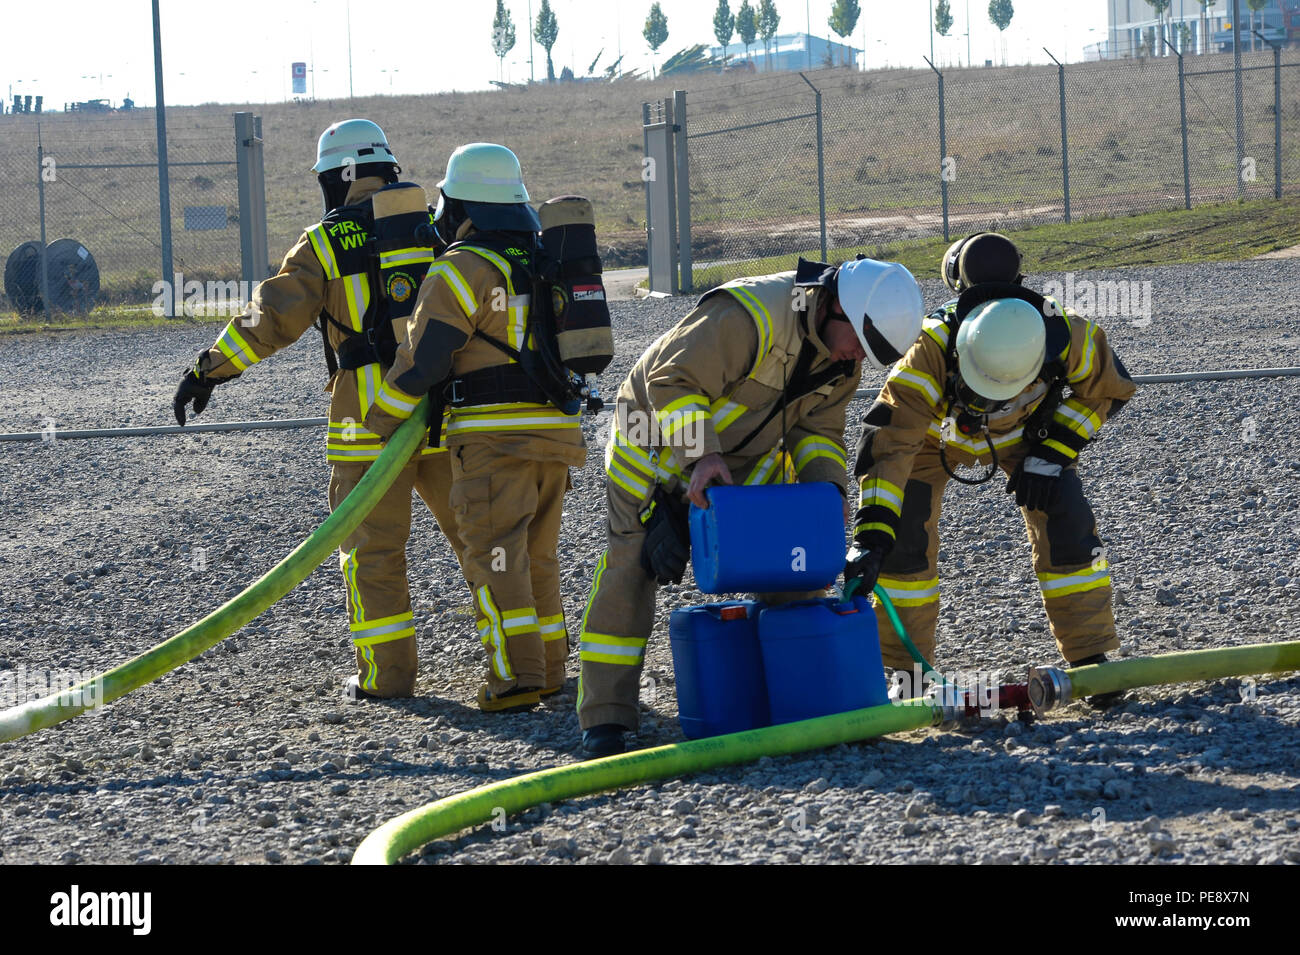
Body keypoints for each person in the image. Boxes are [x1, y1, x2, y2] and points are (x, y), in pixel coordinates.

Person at [576, 256, 926, 758]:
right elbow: (672, 380)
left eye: (870, 354)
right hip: (652, 449)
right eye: (859, 342)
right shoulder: (749, 315)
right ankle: (605, 719)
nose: (858, 358)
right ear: (833, 305)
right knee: (630, 573)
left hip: (738, 459)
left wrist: (828, 491)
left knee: (793, 567)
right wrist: (698, 458)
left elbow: (819, 431)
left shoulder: (843, 357)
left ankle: (808, 701)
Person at [172, 118, 463, 701]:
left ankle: (388, 678)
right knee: (481, 538)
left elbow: (271, 318)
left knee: (373, 551)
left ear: (341, 177)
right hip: (441, 412)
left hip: (367, 423)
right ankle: (526, 666)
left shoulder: (324, 243)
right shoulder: (434, 229)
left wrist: (209, 369)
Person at [844, 232, 1137, 706]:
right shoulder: (928, 348)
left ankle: (1090, 660)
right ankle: (907, 673)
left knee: (1069, 528)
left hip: (1026, 440)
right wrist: (873, 533)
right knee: (903, 544)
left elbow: (1107, 389)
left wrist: (1052, 453)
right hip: (931, 443)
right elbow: (892, 442)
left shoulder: (1067, 334)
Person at [362, 143, 584, 713]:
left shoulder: (462, 266)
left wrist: (380, 420)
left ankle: (515, 677)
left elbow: (425, 360)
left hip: (493, 442)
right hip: (555, 436)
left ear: (460, 207)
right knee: (536, 556)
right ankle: (551, 669)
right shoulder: (541, 259)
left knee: (495, 556)